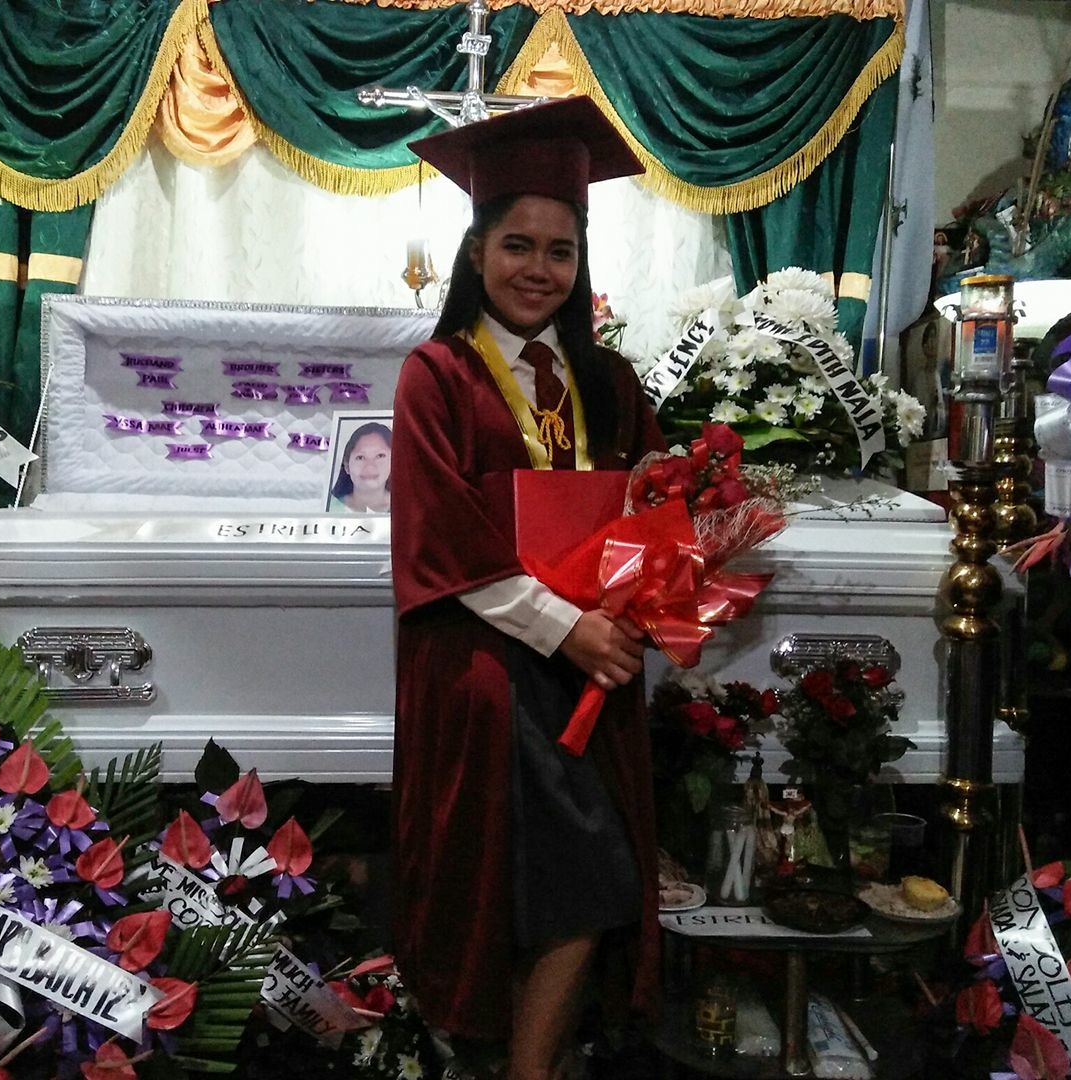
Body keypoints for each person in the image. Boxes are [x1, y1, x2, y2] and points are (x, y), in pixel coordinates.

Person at [389, 96, 666, 1080]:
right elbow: (442, 536)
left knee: (580, 882)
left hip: (592, 671)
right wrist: (566, 629)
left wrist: (647, 602)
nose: (538, 269)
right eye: (517, 245)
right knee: (532, 884)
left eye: (560, 250)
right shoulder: (437, 377)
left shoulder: (612, 383)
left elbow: (656, 512)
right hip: (486, 671)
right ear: (476, 253)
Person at [328, 421, 392, 513]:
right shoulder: (330, 508)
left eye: (380, 456)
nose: (370, 466)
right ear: (347, 466)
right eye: (360, 457)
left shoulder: (405, 506)